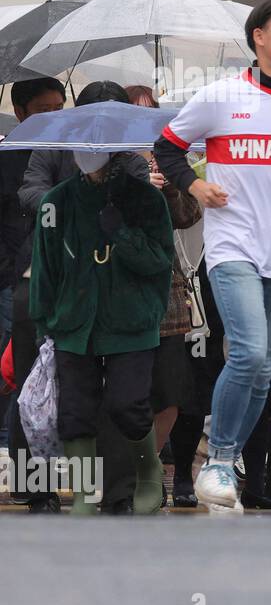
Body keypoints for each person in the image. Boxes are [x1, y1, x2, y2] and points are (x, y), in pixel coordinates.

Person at [153, 0, 271, 512]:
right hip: (232, 245)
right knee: (248, 349)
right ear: (259, 37)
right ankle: (217, 460)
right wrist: (195, 186)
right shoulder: (219, 96)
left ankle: (225, 461)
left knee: (264, 367)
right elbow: (167, 147)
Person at [28, 138, 175, 515]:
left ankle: (147, 472)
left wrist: (121, 233)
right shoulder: (56, 202)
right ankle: (82, 493)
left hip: (130, 319)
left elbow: (159, 261)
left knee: (128, 404)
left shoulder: (145, 198)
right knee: (75, 412)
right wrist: (44, 321)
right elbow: (45, 267)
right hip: (73, 323)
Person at [125, 85, 202, 506]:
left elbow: (189, 216)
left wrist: (168, 184)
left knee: (170, 388)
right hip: (120, 290)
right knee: (127, 389)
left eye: (150, 113)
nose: (144, 120)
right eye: (135, 113)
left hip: (168, 291)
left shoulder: (170, 157)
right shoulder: (109, 161)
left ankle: (149, 466)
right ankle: (128, 469)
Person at [1, 77, 66, 511]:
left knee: (52, 382)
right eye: (44, 108)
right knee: (24, 381)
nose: (54, 115)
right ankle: (29, 480)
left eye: (59, 106)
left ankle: (42, 477)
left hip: (65, 276)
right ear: (21, 112)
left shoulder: (70, 149)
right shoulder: (8, 157)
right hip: (19, 280)